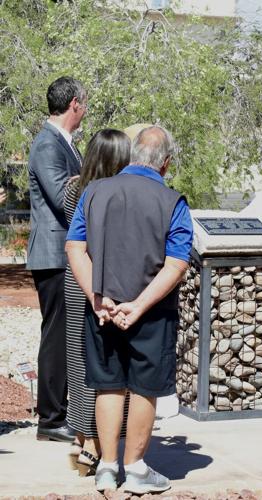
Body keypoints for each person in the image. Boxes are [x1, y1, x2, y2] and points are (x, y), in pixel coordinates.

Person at [66, 126, 193, 494]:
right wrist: (137, 306)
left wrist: (96, 297)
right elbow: (177, 264)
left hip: (102, 308)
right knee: (143, 390)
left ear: (133, 154)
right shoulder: (172, 201)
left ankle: (107, 467)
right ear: (166, 163)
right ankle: (135, 469)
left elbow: (75, 247)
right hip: (151, 313)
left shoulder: (93, 192)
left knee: (109, 386)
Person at [63, 129, 131, 475]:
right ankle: (96, 442)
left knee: (78, 361)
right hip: (108, 280)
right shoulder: (118, 195)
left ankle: (81, 436)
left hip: (76, 280)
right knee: (108, 364)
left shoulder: (74, 190)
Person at [27, 76, 87, 443]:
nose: (86, 111)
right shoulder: (47, 145)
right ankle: (50, 420)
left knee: (66, 334)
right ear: (74, 105)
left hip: (66, 253)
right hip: (53, 255)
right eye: (85, 104)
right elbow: (65, 197)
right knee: (56, 336)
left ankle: (65, 411)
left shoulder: (62, 143)